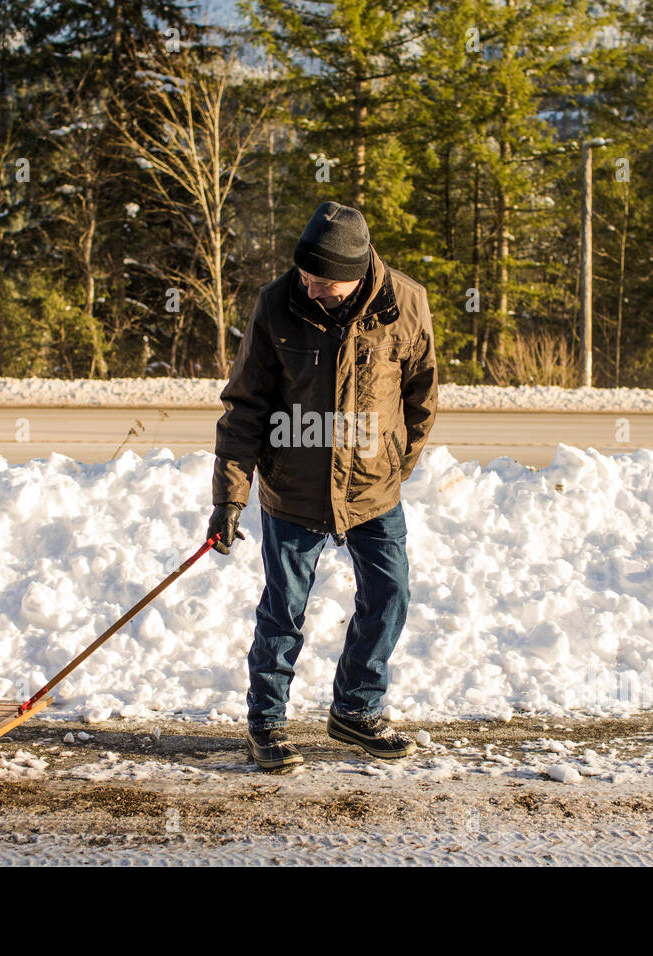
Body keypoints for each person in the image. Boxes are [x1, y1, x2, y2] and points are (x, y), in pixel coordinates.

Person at [208, 200, 437, 771]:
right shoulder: (275, 303)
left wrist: (391, 464)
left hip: (373, 492)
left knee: (390, 597)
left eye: (324, 283)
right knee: (283, 609)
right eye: (305, 276)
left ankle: (355, 711)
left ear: (357, 275)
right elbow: (244, 407)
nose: (310, 289)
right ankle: (267, 721)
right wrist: (230, 496)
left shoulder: (405, 304)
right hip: (294, 490)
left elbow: (421, 398)